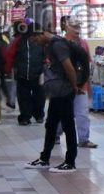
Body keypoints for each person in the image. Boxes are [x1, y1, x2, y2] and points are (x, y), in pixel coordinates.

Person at [28, 26, 79, 172]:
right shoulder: (51, 44)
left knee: (68, 125)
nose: (36, 43)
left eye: (35, 39)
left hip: (64, 90)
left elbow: (69, 68)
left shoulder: (57, 45)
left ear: (41, 33)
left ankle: (70, 162)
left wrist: (74, 86)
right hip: (58, 92)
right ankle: (44, 158)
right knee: (51, 125)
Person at [62, 19, 97, 150]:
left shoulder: (83, 44)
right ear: (67, 28)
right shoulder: (60, 43)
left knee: (82, 113)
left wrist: (88, 84)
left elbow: (87, 65)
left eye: (79, 27)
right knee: (63, 113)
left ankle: (83, 139)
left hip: (81, 86)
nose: (77, 29)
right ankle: (55, 135)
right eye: (74, 27)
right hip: (65, 85)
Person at [9, 23, 46, 126]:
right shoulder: (19, 41)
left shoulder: (41, 42)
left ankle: (38, 115)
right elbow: (11, 54)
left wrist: (44, 67)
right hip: (22, 74)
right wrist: (12, 68)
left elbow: (46, 56)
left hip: (38, 73)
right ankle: (25, 117)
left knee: (39, 96)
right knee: (24, 97)